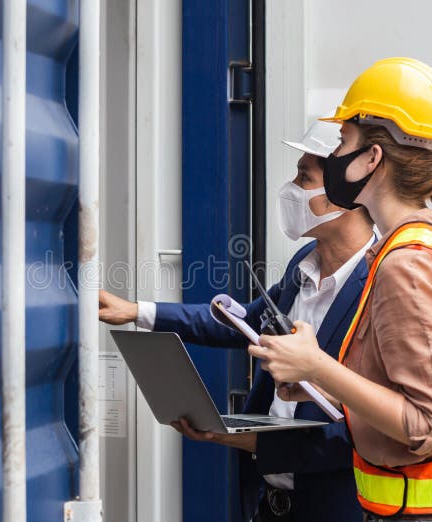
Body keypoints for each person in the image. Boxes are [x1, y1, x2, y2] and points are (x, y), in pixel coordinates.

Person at [249, 57, 432, 521]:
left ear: (372, 158)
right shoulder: (431, 246)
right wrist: (322, 390)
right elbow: (416, 390)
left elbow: (428, 424)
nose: (333, 155)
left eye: (344, 141)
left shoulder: (407, 264)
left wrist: (318, 367)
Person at [100, 119, 374, 521]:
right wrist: (137, 311)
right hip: (272, 505)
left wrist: (239, 439)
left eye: (304, 176)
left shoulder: (380, 285)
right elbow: (243, 322)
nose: (291, 188)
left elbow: (366, 433)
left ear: (342, 193)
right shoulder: (305, 265)